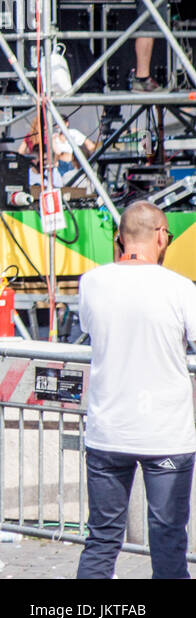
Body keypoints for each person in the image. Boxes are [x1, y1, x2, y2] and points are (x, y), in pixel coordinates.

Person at [76, 201, 196, 579]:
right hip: (167, 433)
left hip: (108, 431)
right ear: (161, 236)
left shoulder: (91, 283)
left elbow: (91, 327)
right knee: (168, 539)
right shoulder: (181, 289)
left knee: (101, 539)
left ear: (120, 238)